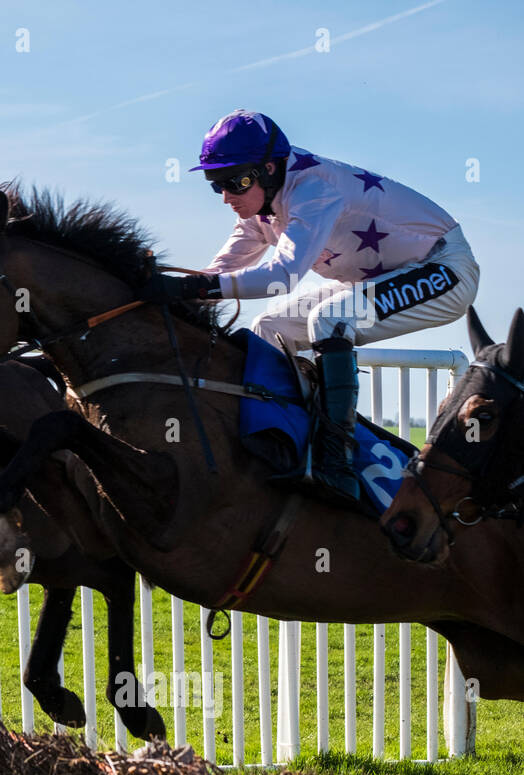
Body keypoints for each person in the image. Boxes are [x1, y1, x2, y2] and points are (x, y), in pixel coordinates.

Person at [144, 109, 479, 503]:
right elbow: (217, 273)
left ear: (269, 169)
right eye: (215, 184)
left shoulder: (313, 188)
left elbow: (279, 277)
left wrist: (193, 288)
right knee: (269, 328)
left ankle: (336, 462)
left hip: (445, 270)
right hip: (384, 279)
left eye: (235, 182)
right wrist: (168, 287)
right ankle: (282, 440)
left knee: (331, 319)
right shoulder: (261, 207)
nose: (226, 197)